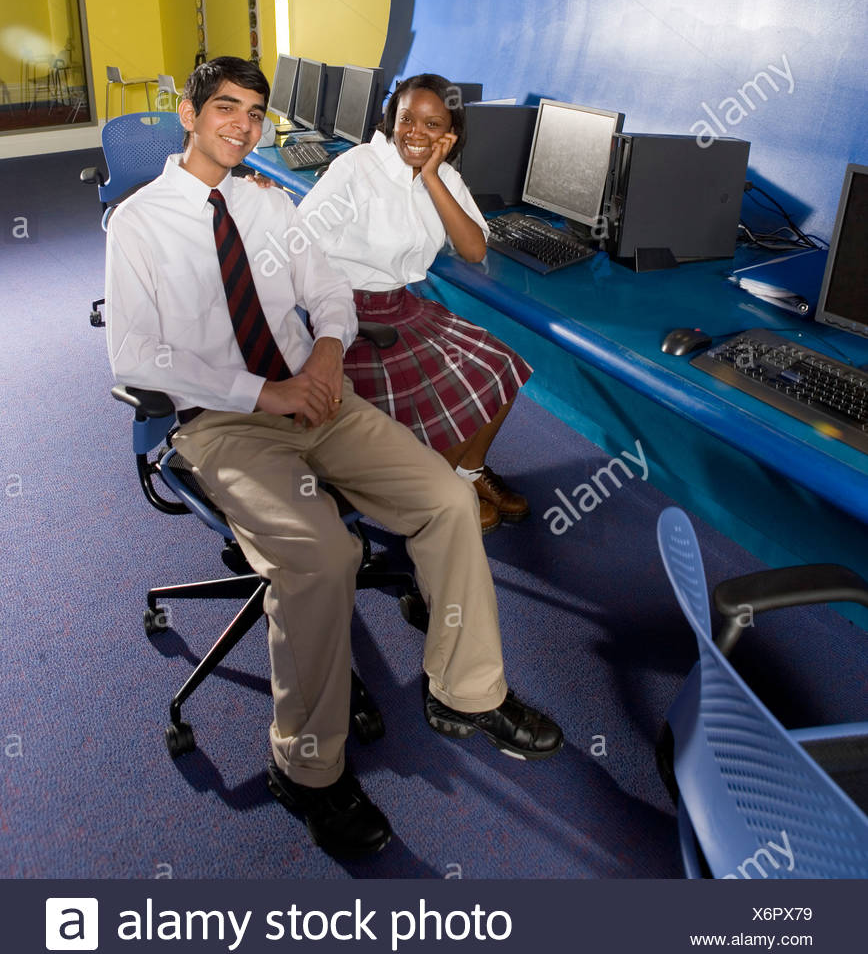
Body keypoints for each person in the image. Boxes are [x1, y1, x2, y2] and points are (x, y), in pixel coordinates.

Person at [105, 55, 562, 861]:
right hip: (226, 422)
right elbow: (135, 357)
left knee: (450, 500)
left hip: (321, 398)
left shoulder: (270, 203)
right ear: (188, 112)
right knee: (323, 552)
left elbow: (329, 294)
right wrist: (260, 392)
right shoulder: (138, 223)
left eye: (254, 113)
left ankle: (465, 691)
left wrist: (322, 358)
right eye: (226, 109)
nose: (243, 126)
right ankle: (305, 768)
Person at [296, 73, 532, 535]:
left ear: (450, 133)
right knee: (424, 400)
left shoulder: (443, 176)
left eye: (432, 124)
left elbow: (474, 249)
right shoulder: (355, 168)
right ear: (392, 119)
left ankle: (466, 474)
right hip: (348, 315)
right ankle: (431, 503)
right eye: (407, 119)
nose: (416, 133)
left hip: (403, 307)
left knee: (504, 366)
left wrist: (430, 177)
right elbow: (299, 244)